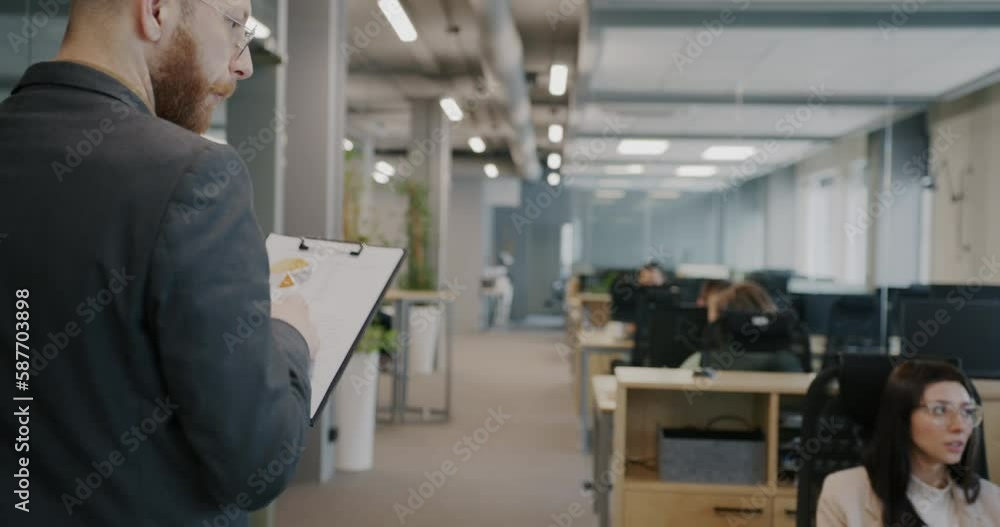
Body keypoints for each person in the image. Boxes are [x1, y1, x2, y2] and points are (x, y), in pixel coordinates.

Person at [0, 1, 318, 525]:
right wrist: (290, 337)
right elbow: (257, 463)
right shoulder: (196, 177)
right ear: (155, 11)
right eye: (235, 26)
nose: (244, 64)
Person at [817, 361, 1000, 526]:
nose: (960, 426)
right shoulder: (843, 493)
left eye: (967, 411)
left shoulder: (992, 500)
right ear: (902, 418)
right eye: (940, 410)